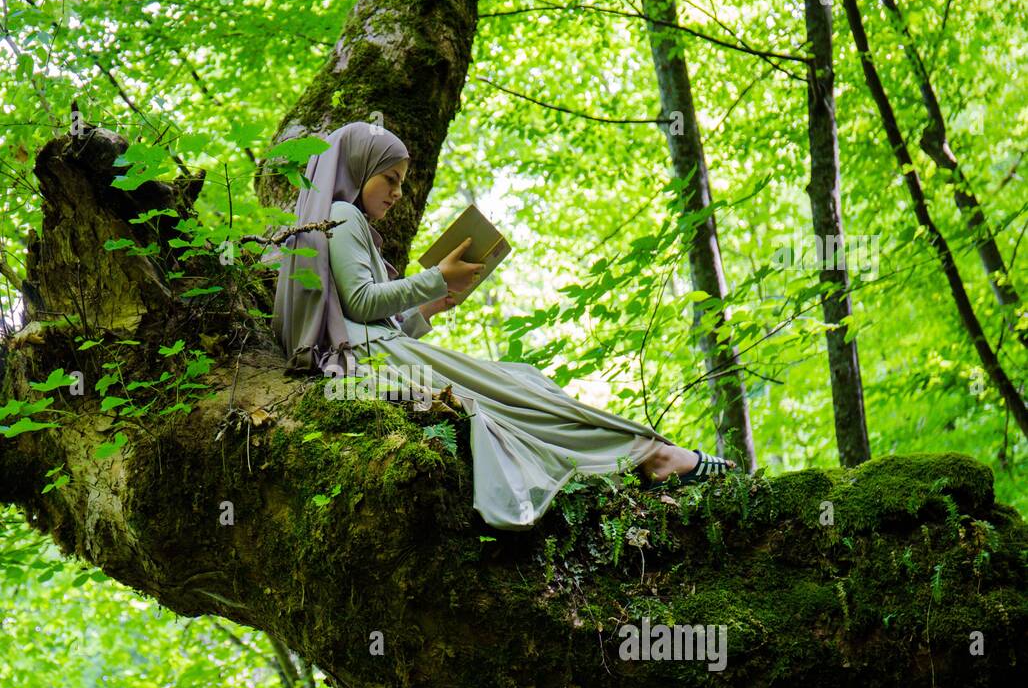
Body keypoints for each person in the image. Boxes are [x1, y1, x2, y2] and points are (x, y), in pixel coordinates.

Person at [271, 120, 737, 530]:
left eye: (401, 183)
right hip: (372, 358)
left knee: (522, 381)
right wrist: (436, 277)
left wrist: (427, 307)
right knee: (519, 393)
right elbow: (361, 301)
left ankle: (647, 453)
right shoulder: (344, 213)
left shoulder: (337, 220)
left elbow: (361, 316)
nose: (396, 194)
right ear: (358, 165)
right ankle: (655, 455)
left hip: (376, 352)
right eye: (389, 179)